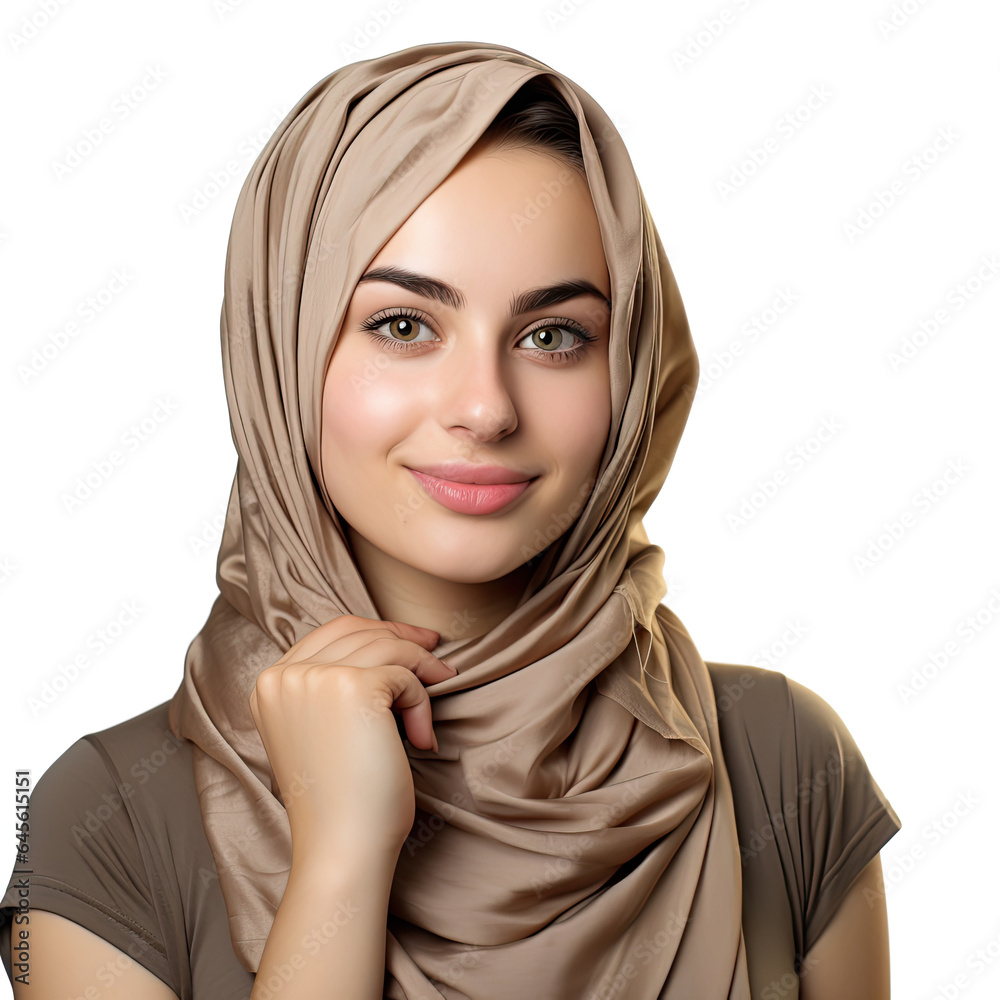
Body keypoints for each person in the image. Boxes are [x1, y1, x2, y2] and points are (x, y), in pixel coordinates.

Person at [0, 41, 900, 999]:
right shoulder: (108, 820)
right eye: (404, 326)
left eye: (553, 335)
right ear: (280, 350)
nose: (485, 407)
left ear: (634, 367)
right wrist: (341, 858)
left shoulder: (781, 764)